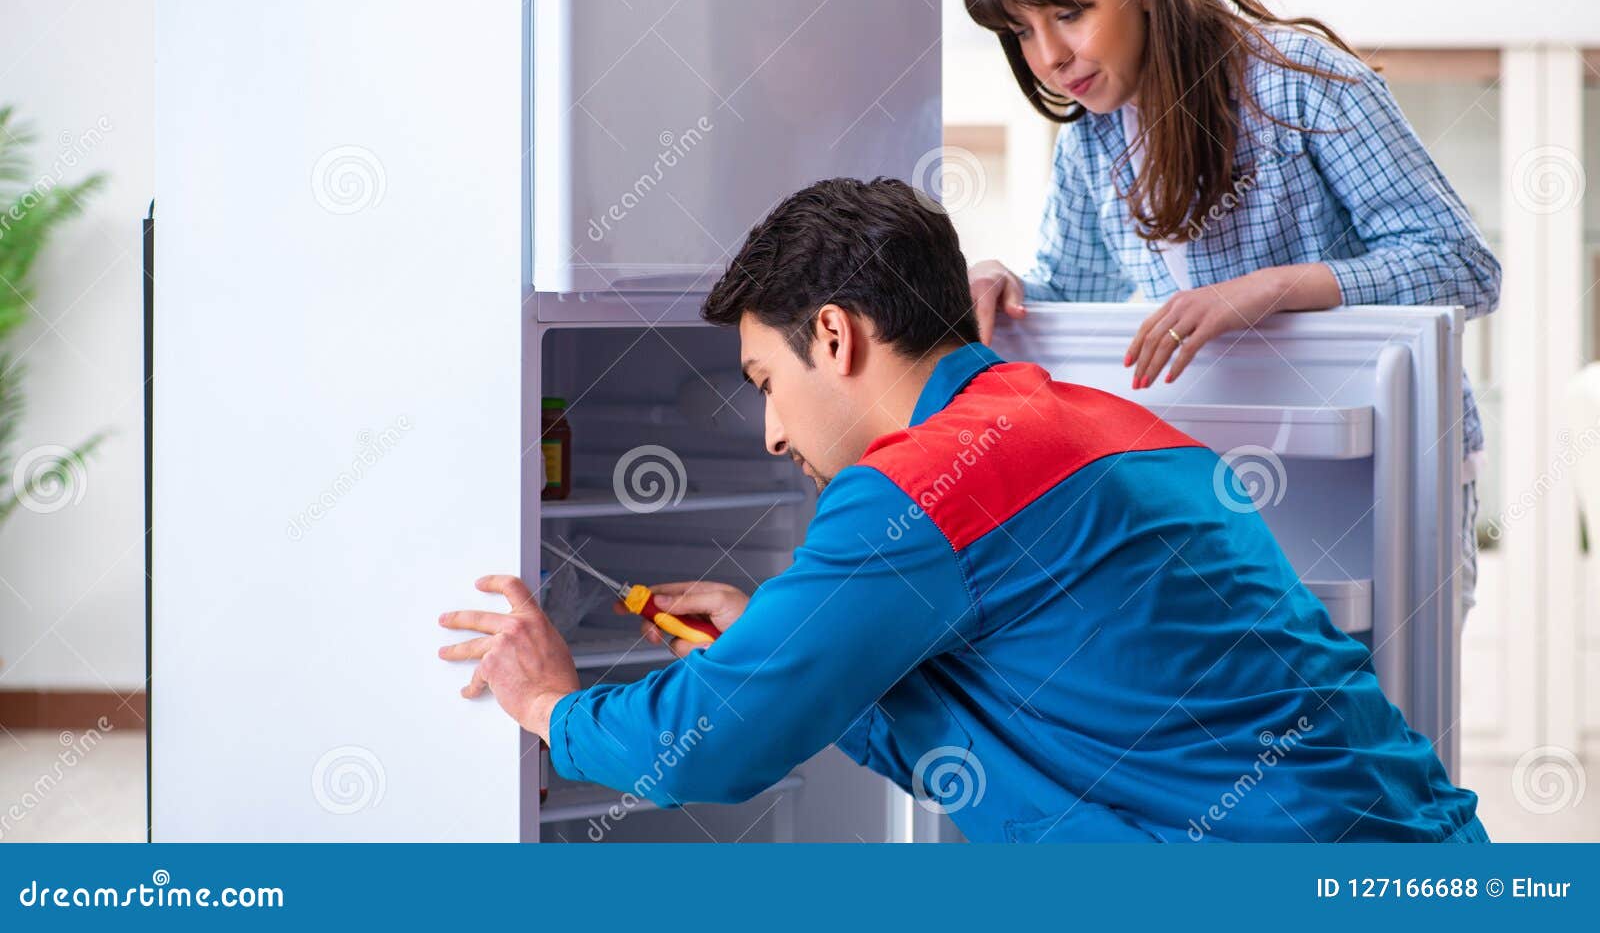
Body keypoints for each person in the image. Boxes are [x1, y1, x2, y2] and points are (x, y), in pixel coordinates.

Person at [438, 177, 1487, 843]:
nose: (767, 433)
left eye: (764, 380)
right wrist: (774, 637)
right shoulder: (1083, 420)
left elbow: (709, 744)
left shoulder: (916, 488)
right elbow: (1004, 706)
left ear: (837, 339)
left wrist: (548, 708)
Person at [962, 0, 1499, 612]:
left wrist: (1271, 291)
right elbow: (1073, 293)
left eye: (1070, 13)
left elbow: (1464, 267)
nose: (1047, 56)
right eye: (1022, 31)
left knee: (1376, 706)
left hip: (1382, 470)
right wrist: (1005, 284)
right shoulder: (1093, 141)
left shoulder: (1297, 81)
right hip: (1218, 481)